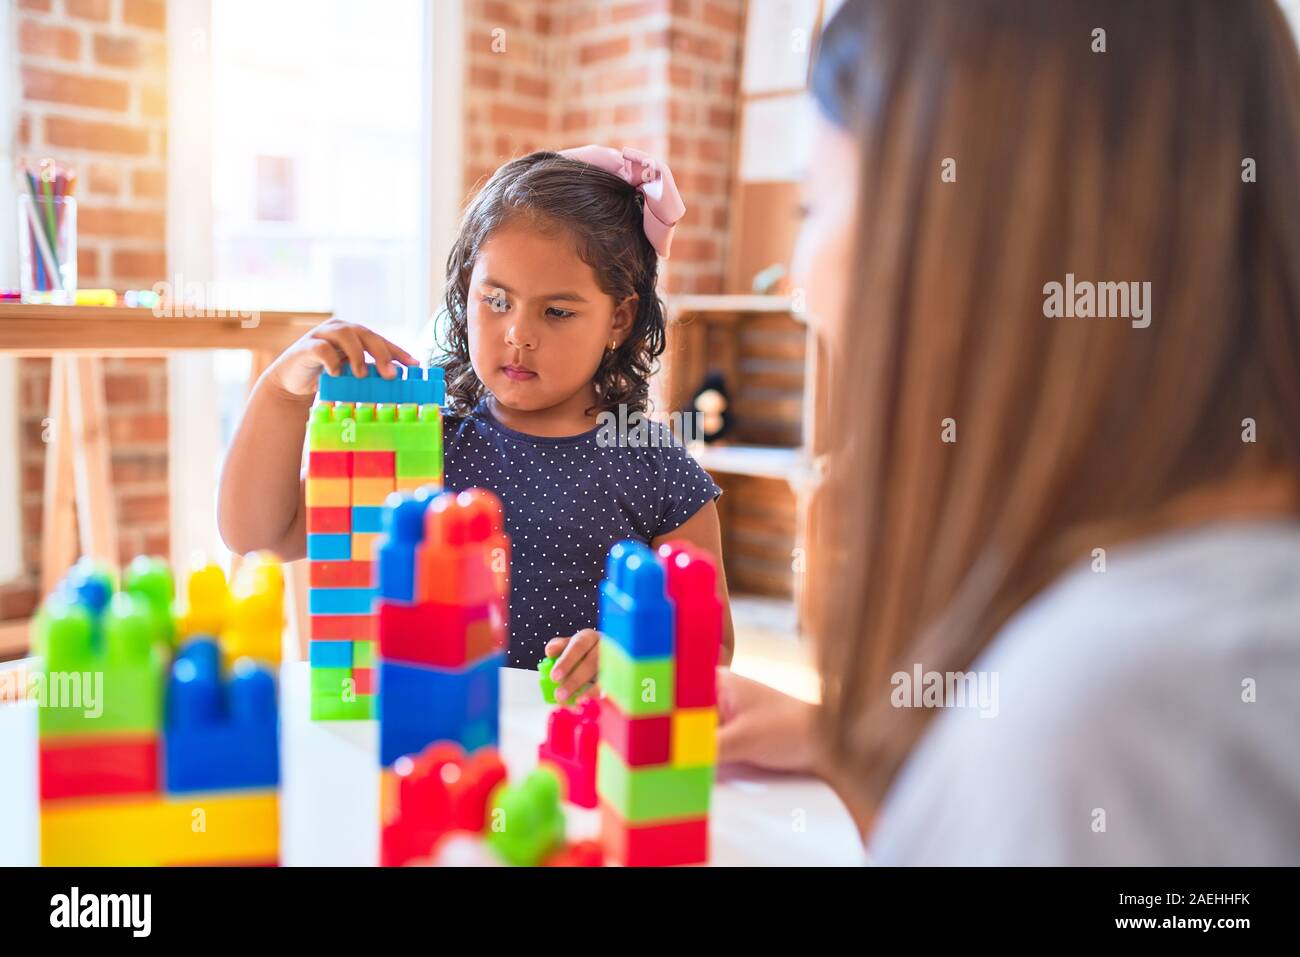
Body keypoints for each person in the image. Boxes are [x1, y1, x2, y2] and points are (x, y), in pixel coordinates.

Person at [717, 0, 1300, 864]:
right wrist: (884, 762)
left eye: (812, 205)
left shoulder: (1100, 728)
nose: (801, 280)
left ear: (957, 238)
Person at [219, 147, 736, 696]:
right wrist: (281, 390)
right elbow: (261, 535)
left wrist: (635, 662)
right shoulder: (419, 437)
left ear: (620, 318)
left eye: (557, 311)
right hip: (429, 743)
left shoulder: (654, 465)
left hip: (573, 749)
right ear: (466, 292)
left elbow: (714, 647)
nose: (518, 333)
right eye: (495, 300)